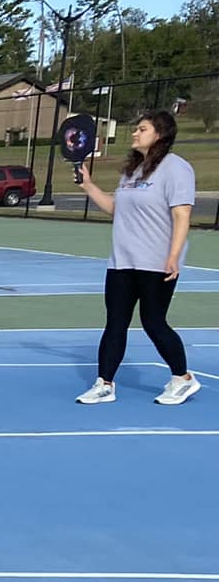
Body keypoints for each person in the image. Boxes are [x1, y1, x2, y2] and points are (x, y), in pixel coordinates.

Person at [71, 109, 199, 406]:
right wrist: (88, 185)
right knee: (115, 322)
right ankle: (104, 384)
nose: (135, 133)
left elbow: (182, 214)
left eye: (142, 128)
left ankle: (183, 378)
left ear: (160, 134)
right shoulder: (133, 171)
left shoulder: (177, 168)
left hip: (156, 261)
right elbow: (118, 210)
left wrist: (174, 255)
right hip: (122, 262)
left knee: (153, 322)